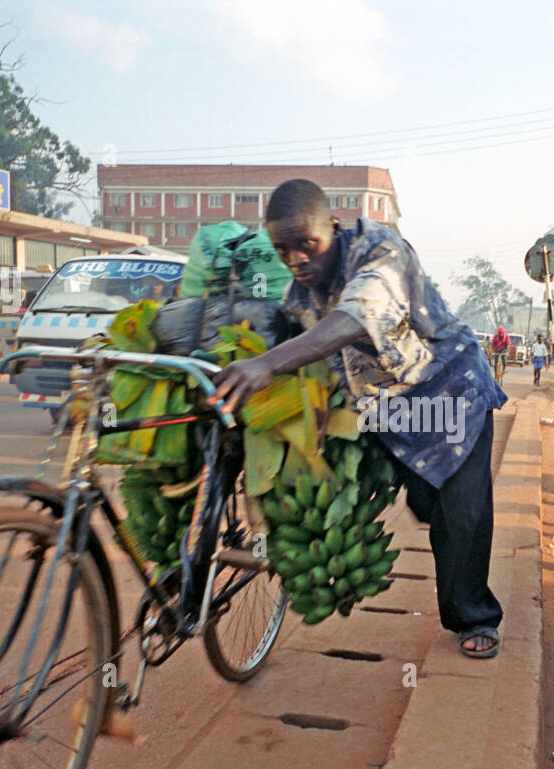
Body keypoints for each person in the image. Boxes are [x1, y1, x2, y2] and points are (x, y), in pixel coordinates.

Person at [212, 179, 507, 658]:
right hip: (390, 412)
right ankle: (447, 539)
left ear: (333, 226)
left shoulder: (382, 252)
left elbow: (354, 317)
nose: (295, 259)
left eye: (306, 244)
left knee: (463, 514)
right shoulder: (301, 293)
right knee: (430, 506)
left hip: (452, 395)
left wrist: (266, 365)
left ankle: (475, 616)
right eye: (282, 250)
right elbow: (303, 345)